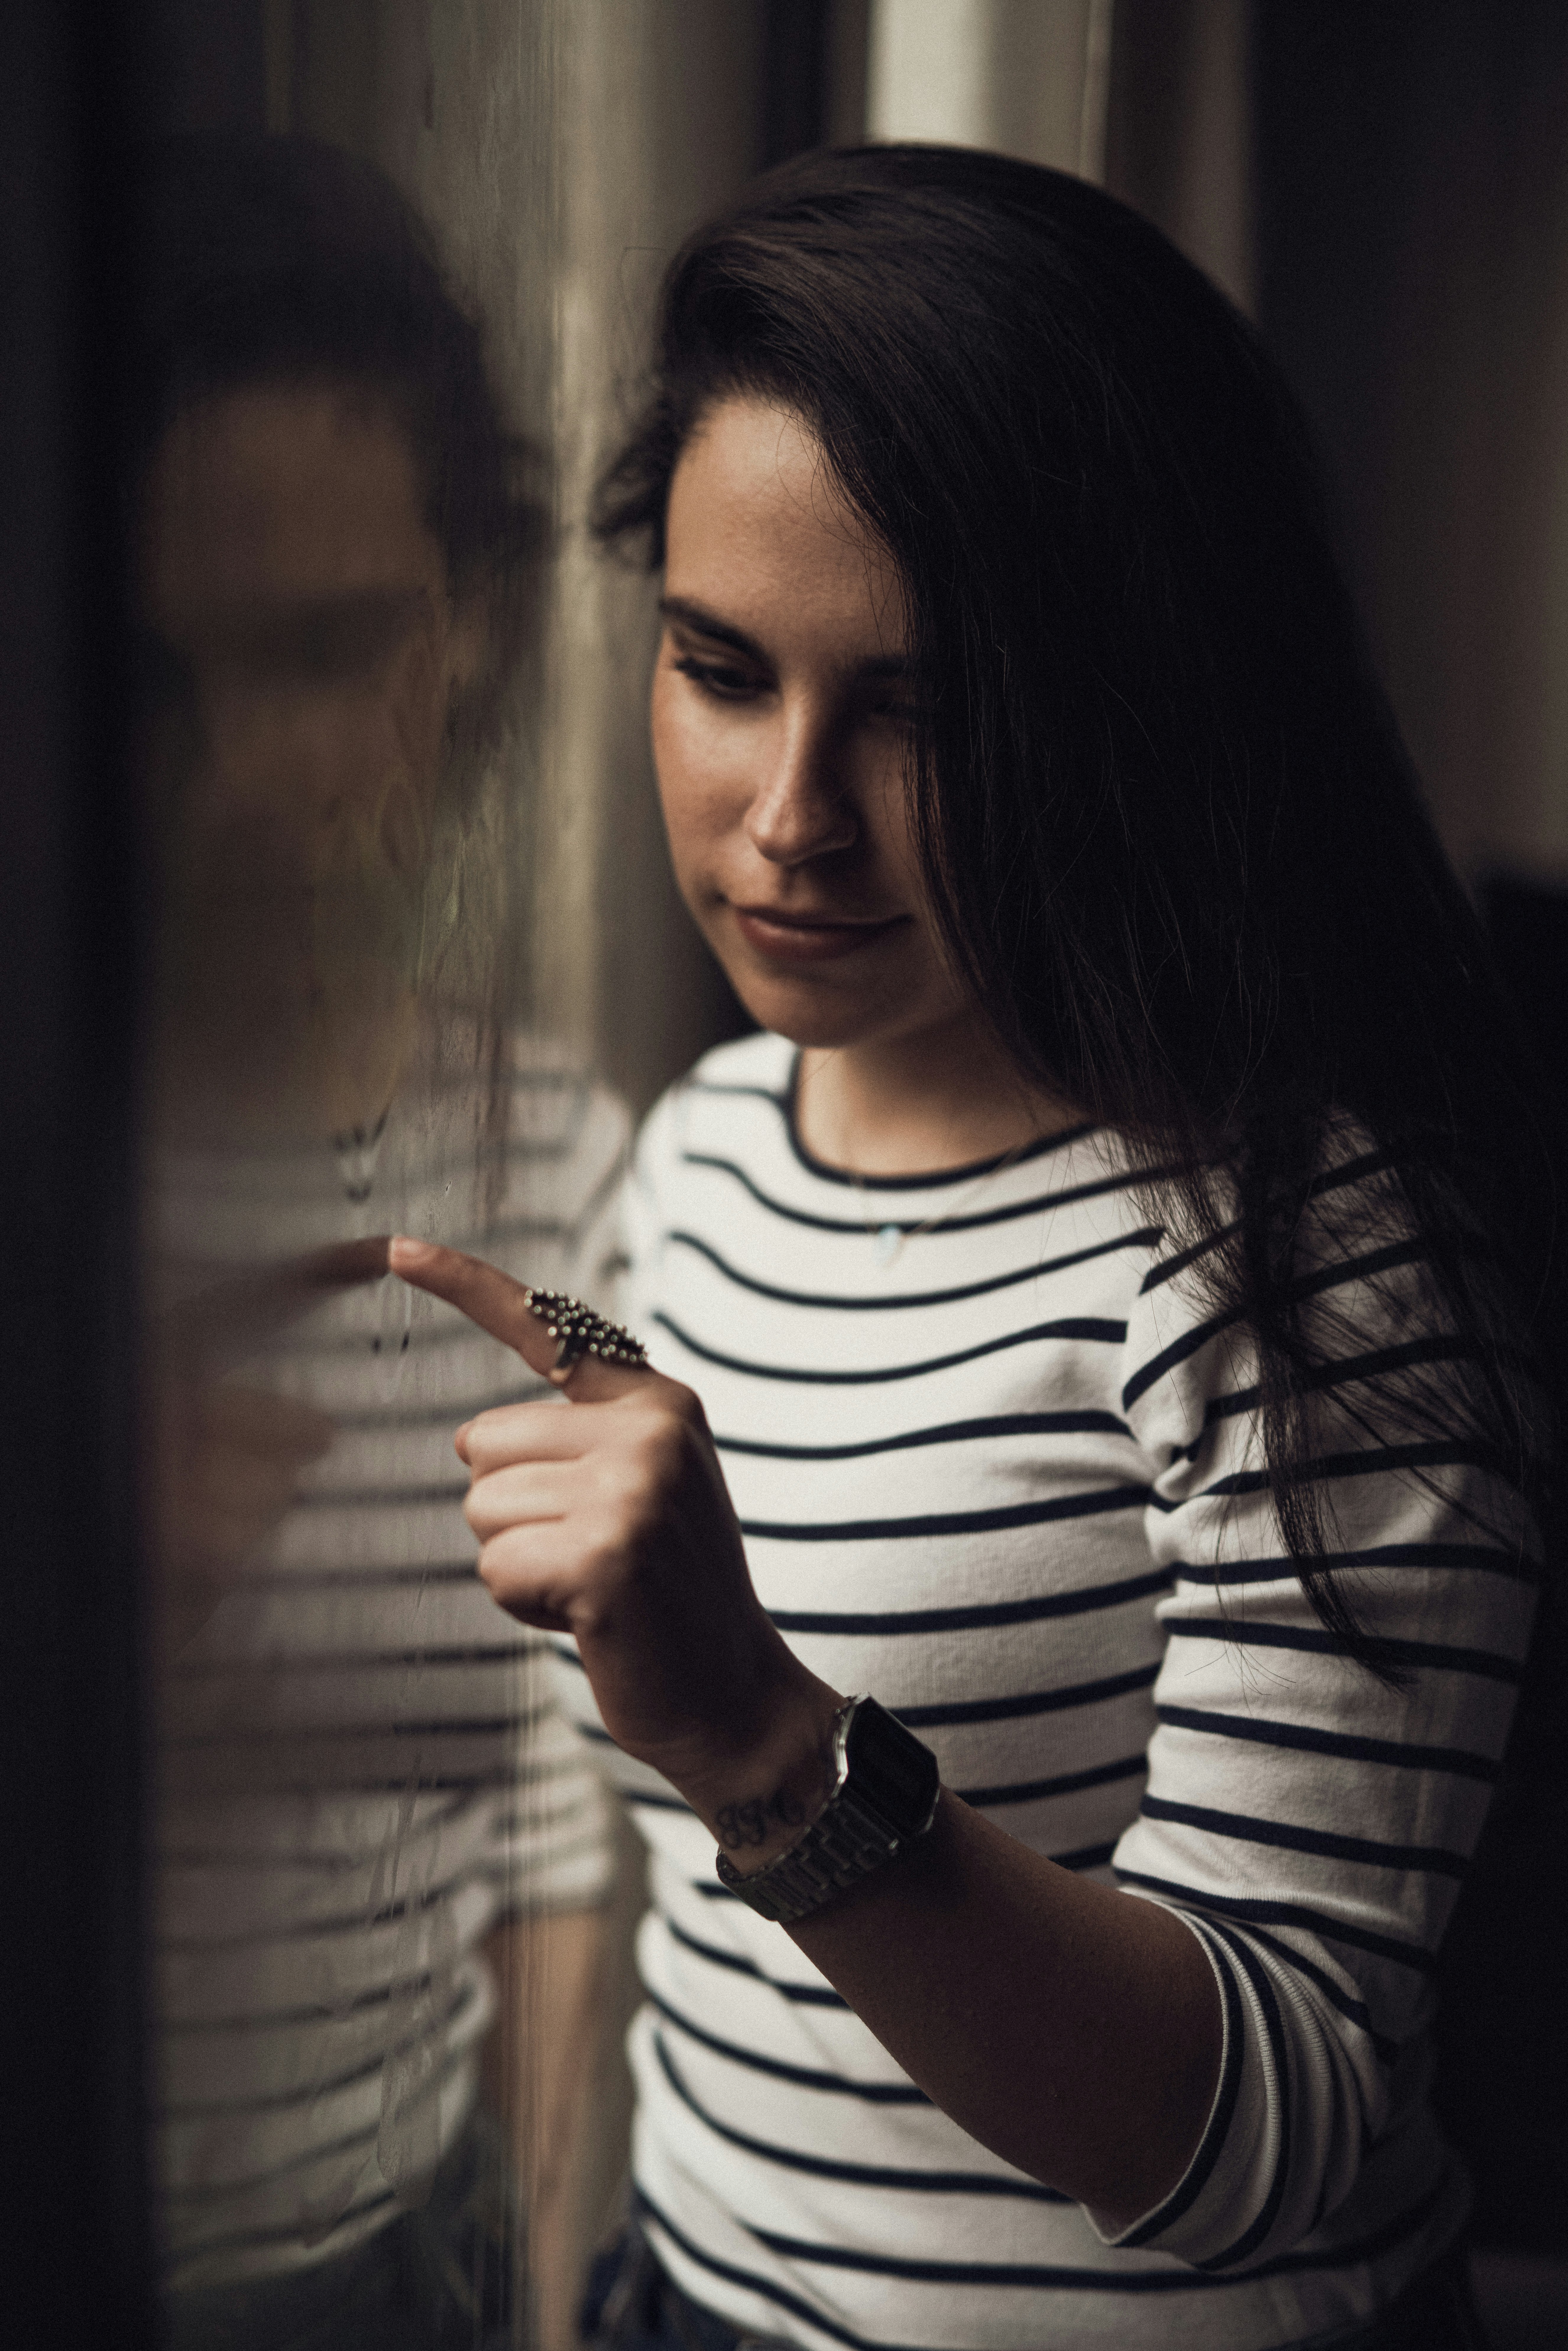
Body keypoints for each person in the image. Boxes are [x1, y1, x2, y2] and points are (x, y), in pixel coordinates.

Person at [396, 145, 1559, 2350]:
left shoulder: (1317, 1262)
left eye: (921, 710)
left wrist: (763, 1739)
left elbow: (1271, 2129)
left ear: (1128, 704)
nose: (790, 813)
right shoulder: (705, 1146)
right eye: (720, 667)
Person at [133, 136, 623, 2348]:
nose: (242, 769)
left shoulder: (564, 1171)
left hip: (403, 2262)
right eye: (159, 679)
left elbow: (546, 1787)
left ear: (471, 638)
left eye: (328, 653)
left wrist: (530, 2272)